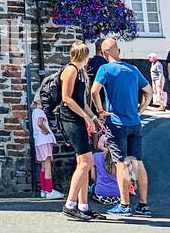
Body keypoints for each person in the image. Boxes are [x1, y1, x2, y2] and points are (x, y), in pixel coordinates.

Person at [91, 35, 152, 219]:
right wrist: (141, 108)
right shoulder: (133, 69)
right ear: (118, 50)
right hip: (134, 122)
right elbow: (148, 91)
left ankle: (124, 204)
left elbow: (94, 90)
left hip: (116, 124)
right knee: (137, 162)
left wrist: (100, 111)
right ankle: (143, 205)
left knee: (121, 163)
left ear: (104, 53)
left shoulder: (105, 69)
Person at [56, 41, 103, 223]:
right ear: (85, 55)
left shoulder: (80, 71)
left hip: (78, 117)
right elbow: (66, 98)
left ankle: (83, 206)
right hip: (71, 119)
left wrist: (94, 118)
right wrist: (85, 117)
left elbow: (80, 101)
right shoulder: (70, 70)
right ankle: (69, 205)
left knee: (83, 162)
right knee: (86, 161)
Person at [31, 103, 63, 200]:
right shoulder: (40, 111)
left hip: (38, 141)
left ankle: (44, 189)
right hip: (45, 140)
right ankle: (49, 190)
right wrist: (47, 130)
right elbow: (40, 123)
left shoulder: (34, 112)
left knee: (43, 165)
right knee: (48, 164)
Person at [88, 130, 120, 207]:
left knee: (91, 188)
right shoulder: (120, 158)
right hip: (118, 195)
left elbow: (93, 177)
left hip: (100, 194)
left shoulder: (96, 156)